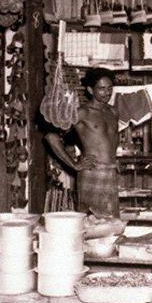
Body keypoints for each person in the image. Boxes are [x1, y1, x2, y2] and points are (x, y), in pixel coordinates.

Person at [45, 68, 120, 217]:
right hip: (91, 172)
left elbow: (108, 142)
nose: (107, 92)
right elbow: (51, 137)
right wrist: (74, 164)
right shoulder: (82, 112)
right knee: (88, 224)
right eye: (102, 88)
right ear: (91, 90)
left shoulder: (113, 112)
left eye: (110, 88)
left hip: (111, 172)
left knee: (111, 222)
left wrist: (114, 161)